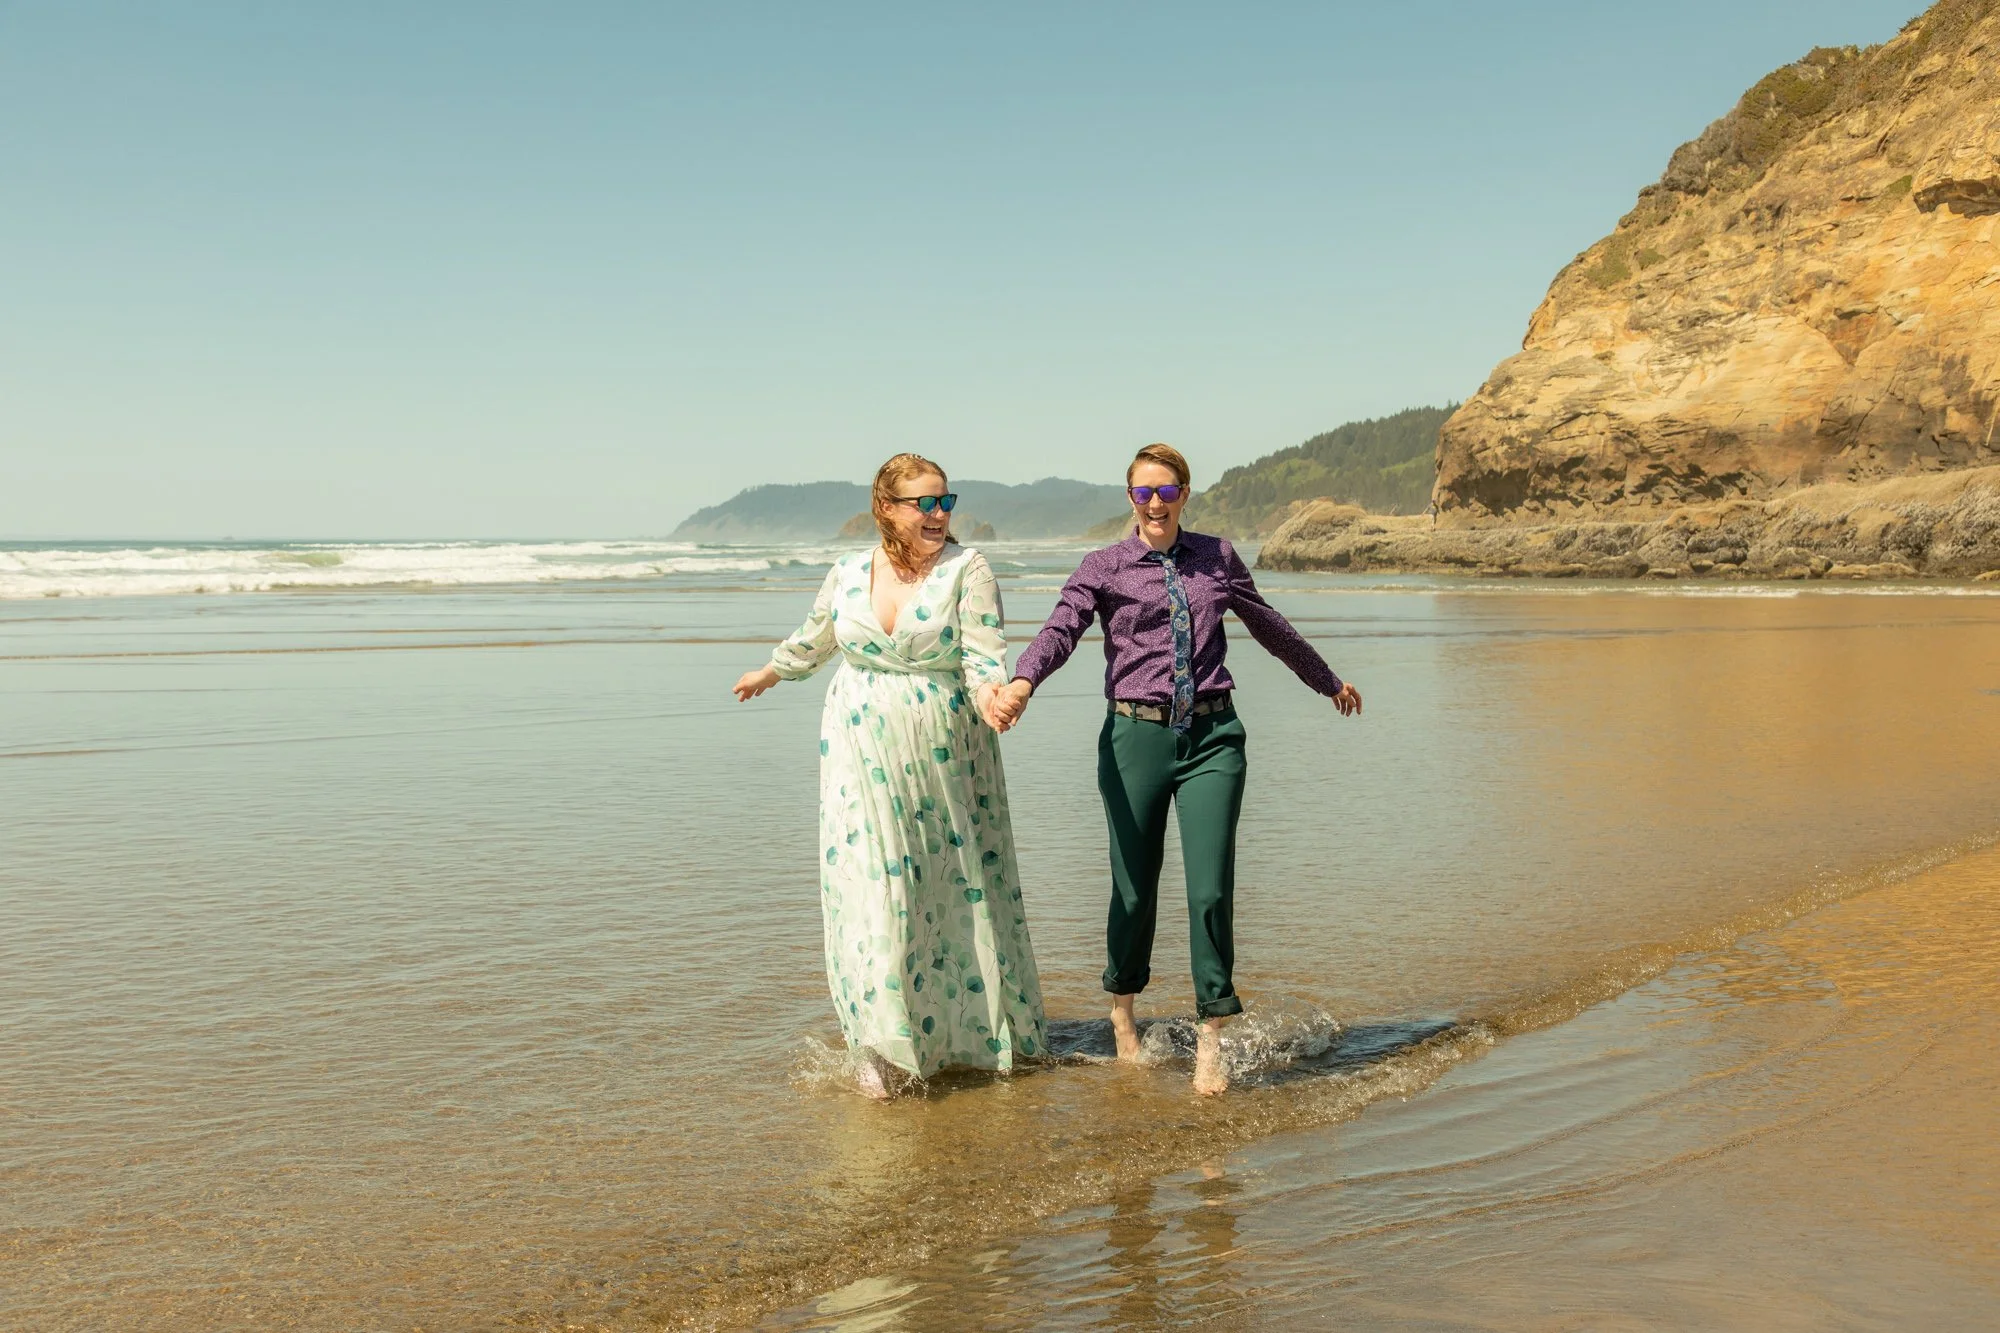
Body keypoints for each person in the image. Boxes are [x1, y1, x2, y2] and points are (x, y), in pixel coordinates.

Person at [989, 444, 1361, 1096]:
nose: (1154, 502)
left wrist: (1326, 679)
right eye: (1142, 492)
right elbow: (1060, 629)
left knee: (1210, 889)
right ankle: (1122, 1010)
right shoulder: (1102, 566)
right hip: (1135, 738)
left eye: (1166, 490)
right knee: (1134, 890)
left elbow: (1268, 624)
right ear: (1129, 497)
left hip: (1214, 737)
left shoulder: (1217, 557)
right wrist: (1023, 682)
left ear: (1185, 492)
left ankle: (1211, 1036)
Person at [733, 454, 1047, 1099]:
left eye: (944, 502)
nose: (938, 515)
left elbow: (984, 655)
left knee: (944, 890)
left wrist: (997, 699)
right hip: (857, 749)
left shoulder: (969, 570)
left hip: (943, 753)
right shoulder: (848, 571)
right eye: (922, 504)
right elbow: (819, 636)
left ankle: (960, 1037)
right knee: (873, 890)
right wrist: (774, 670)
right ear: (887, 508)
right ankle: (880, 1046)